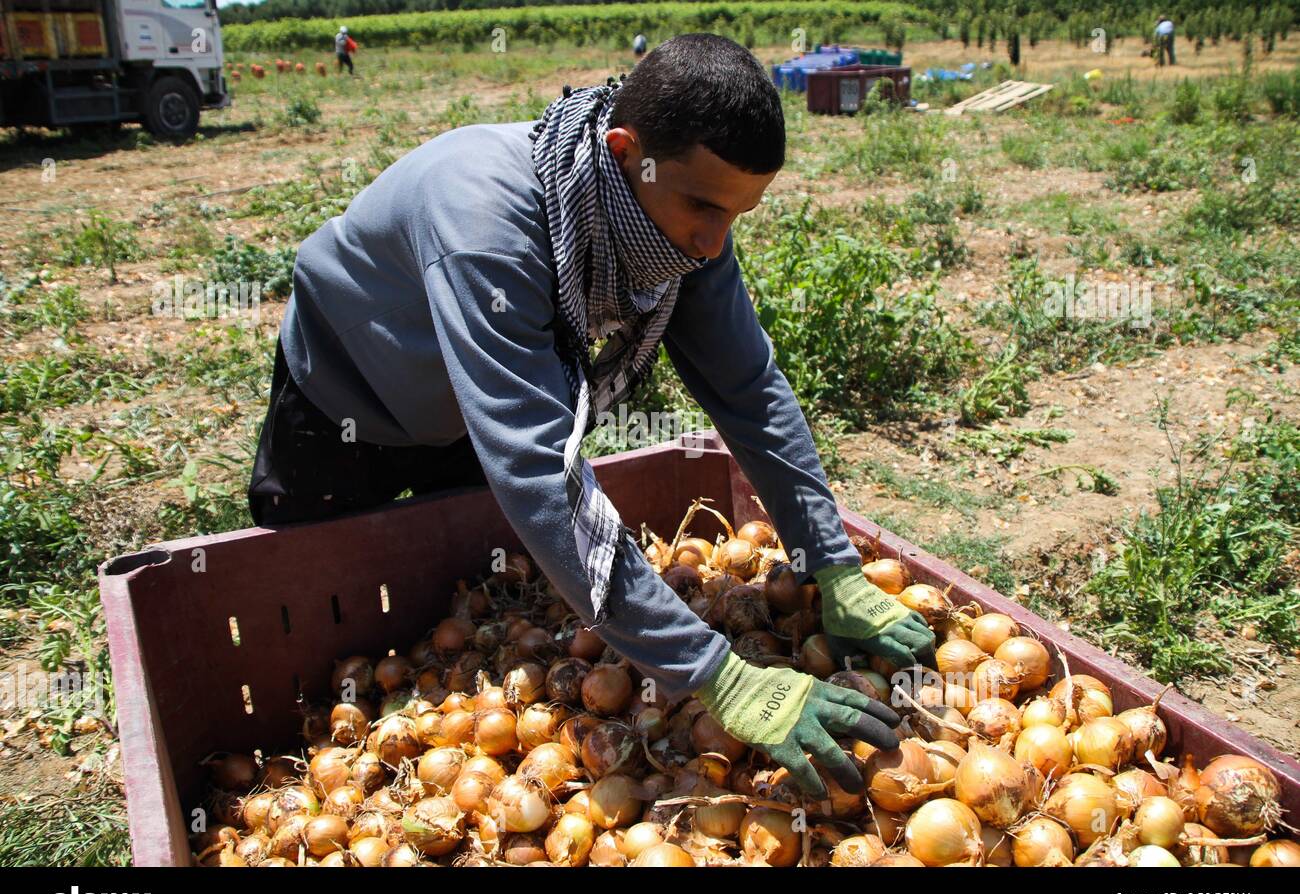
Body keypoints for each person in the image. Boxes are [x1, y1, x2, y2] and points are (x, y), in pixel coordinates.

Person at [246, 33, 935, 799]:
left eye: (739, 213)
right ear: (623, 150)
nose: (715, 242)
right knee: (328, 599)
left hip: (473, 413)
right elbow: (540, 471)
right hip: (348, 401)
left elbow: (749, 392)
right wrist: (714, 675)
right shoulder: (485, 223)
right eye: (704, 206)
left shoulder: (680, 234)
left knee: (469, 591)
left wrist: (829, 562)